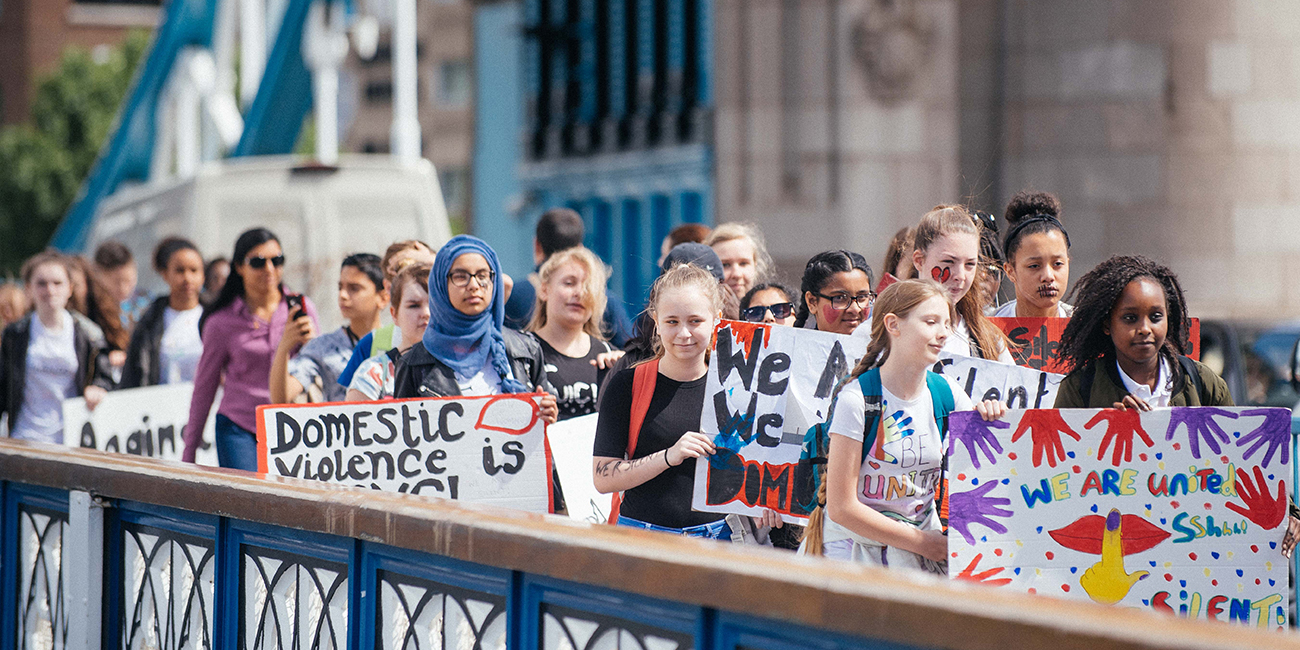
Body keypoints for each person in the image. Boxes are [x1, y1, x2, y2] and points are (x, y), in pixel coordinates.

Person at [1052, 255, 1300, 558]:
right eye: (1130, 318)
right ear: (1106, 324)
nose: (1145, 328)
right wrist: (1103, 435)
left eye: (1155, 316)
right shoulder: (1080, 387)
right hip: (1113, 551)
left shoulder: (1204, 382)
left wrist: (1288, 511)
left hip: (1192, 548)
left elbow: (1243, 459)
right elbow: (1056, 473)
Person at [800, 279, 1004, 569]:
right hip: (854, 554)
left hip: (921, 553)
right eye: (931, 322)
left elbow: (988, 464)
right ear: (893, 325)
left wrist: (990, 416)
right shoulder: (856, 400)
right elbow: (842, 508)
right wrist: (922, 543)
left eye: (947, 323)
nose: (943, 333)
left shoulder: (947, 393)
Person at [593, 263, 782, 539]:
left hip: (719, 538)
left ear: (717, 320)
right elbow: (602, 477)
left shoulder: (739, 388)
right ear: (656, 321)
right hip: (642, 538)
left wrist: (768, 503)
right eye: (672, 321)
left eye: (695, 321)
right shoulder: (628, 384)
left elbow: (758, 470)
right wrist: (669, 456)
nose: (684, 333)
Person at [184, 228, 319, 469]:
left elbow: (318, 367)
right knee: (251, 503)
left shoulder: (301, 308)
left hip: (294, 426)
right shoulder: (221, 322)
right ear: (238, 267)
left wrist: (311, 341)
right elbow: (204, 386)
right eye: (257, 262)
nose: (269, 269)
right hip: (239, 427)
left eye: (277, 261)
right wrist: (189, 452)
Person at [391, 236, 559, 424]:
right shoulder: (413, 364)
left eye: (482, 276)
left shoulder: (526, 350)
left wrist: (547, 413)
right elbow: (406, 441)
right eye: (460, 277)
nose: (473, 286)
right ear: (440, 285)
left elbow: (546, 428)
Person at [0, 252, 113, 443]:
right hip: (24, 438)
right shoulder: (15, 334)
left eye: (57, 283)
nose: (50, 290)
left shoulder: (89, 335)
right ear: (29, 289)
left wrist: (99, 387)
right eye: (41, 283)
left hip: (71, 441)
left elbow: (106, 378)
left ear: (70, 288)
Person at [504, 208, 636, 346]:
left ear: (537, 245)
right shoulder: (603, 299)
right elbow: (632, 350)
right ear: (579, 249)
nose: (579, 293)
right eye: (568, 283)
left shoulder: (510, 295)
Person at [270, 253, 387, 404]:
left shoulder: (399, 342)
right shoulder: (323, 346)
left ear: (383, 298)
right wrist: (284, 346)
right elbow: (281, 398)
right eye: (340, 287)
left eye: (354, 288)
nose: (343, 295)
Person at [908, 205, 1013, 363]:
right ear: (919, 260)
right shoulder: (884, 330)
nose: (960, 276)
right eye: (949, 262)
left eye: (970, 264)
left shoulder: (989, 340)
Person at [527, 247, 620, 420]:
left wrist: (629, 372)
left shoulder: (609, 356)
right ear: (544, 290)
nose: (579, 293)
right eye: (569, 283)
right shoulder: (522, 352)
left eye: (588, 286)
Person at [334, 240, 437, 391]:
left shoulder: (458, 343)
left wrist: (435, 261)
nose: (415, 286)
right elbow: (346, 406)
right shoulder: (372, 343)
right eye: (403, 278)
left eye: (424, 277)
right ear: (388, 288)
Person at [120, 237, 206, 388]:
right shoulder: (149, 323)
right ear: (165, 274)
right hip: (162, 407)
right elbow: (133, 377)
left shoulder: (217, 318)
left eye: (194, 270)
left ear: (203, 275)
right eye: (180, 271)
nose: (187, 278)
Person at [346, 262, 432, 401]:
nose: (426, 313)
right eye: (414, 305)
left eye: (434, 304)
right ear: (394, 314)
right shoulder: (372, 375)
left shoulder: (462, 370)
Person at [991, 191, 1072, 318]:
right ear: (1010, 271)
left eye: (1057, 264)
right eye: (1034, 266)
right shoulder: (987, 330)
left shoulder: (1087, 329)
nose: (1048, 276)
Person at [67, 255, 130, 375]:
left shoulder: (105, 314)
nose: (71, 292)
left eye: (76, 285)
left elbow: (124, 347)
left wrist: (115, 355)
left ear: (87, 284)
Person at [794, 250, 874, 336]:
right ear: (812, 302)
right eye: (840, 298)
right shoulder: (793, 348)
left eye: (862, 297)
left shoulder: (885, 348)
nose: (855, 309)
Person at [707, 222, 772, 302]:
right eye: (725, 265)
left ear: (755, 266)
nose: (736, 274)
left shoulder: (772, 310)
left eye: (743, 263)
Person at [93, 240, 149, 327]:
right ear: (98, 277)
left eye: (128, 280)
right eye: (116, 282)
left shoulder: (148, 303)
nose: (123, 289)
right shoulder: (91, 310)